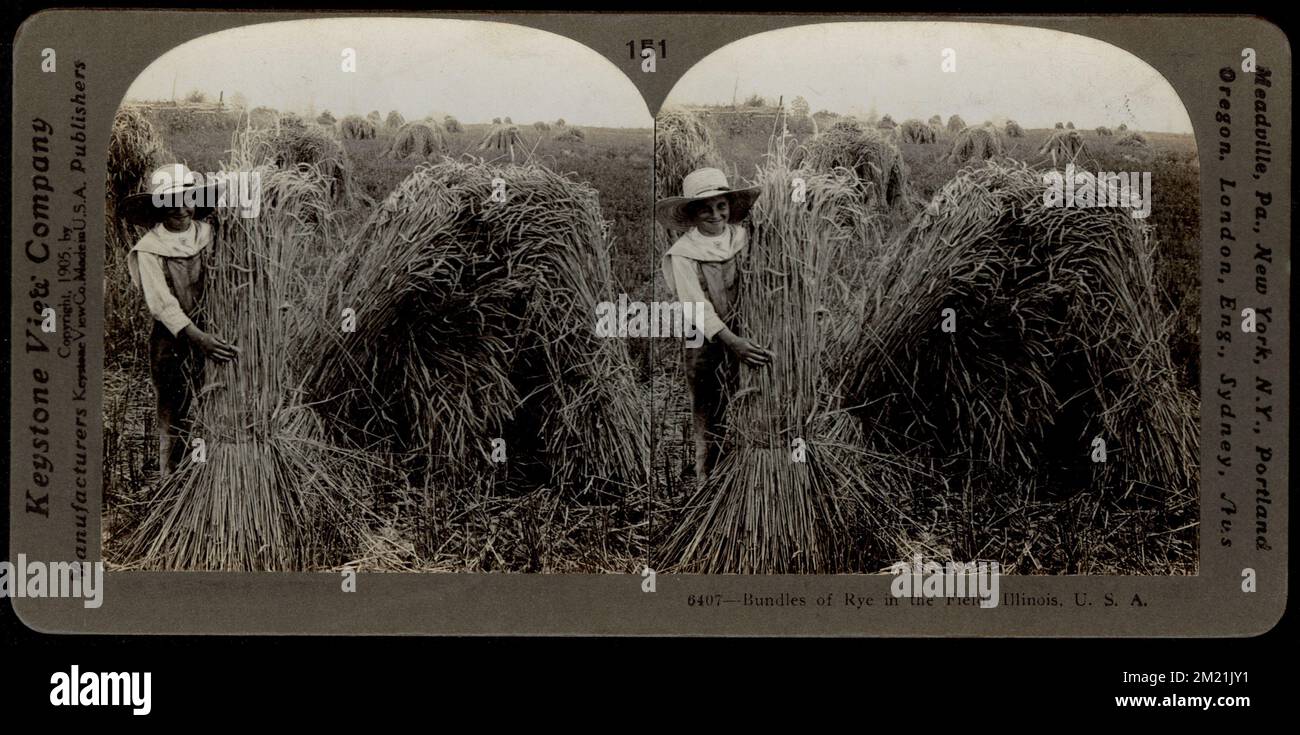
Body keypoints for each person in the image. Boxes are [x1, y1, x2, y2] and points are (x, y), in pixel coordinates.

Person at [656, 167, 774, 480]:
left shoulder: (743, 237)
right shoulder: (683, 253)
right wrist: (731, 341)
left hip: (747, 334)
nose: (716, 214)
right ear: (693, 213)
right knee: (709, 410)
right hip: (704, 337)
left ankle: (744, 476)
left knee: (748, 401)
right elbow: (695, 305)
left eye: (721, 206)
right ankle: (706, 484)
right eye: (706, 208)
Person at [123, 164, 239, 477]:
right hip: (173, 339)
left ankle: (206, 474)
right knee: (174, 411)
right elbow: (162, 304)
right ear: (158, 206)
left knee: (211, 404)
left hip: (214, 332)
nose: (180, 207)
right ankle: (171, 482)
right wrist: (198, 338)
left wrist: (215, 331)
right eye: (170, 200)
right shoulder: (150, 248)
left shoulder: (209, 233)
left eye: (186, 197)